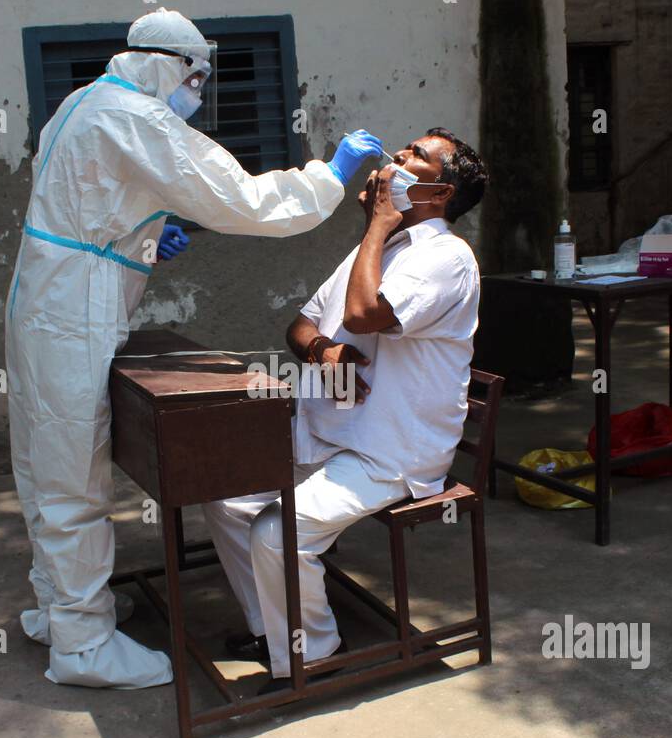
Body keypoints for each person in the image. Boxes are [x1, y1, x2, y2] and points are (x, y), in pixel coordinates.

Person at [5, 7, 384, 689]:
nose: (197, 96)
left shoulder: (81, 103)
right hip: (71, 311)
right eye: (197, 79)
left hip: (43, 296)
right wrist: (331, 175)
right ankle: (83, 647)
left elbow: (91, 201)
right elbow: (239, 199)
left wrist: (144, 237)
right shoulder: (137, 118)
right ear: (167, 65)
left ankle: (59, 610)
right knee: (71, 476)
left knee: (42, 463)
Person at [202, 129, 489, 692]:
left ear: (443, 192)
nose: (397, 160)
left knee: (276, 533)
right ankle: (274, 630)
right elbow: (301, 325)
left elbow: (363, 315)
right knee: (227, 497)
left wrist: (378, 224)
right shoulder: (377, 249)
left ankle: (317, 655)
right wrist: (320, 350)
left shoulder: (447, 257)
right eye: (403, 149)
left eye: (417, 157)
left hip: (391, 449)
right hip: (330, 430)